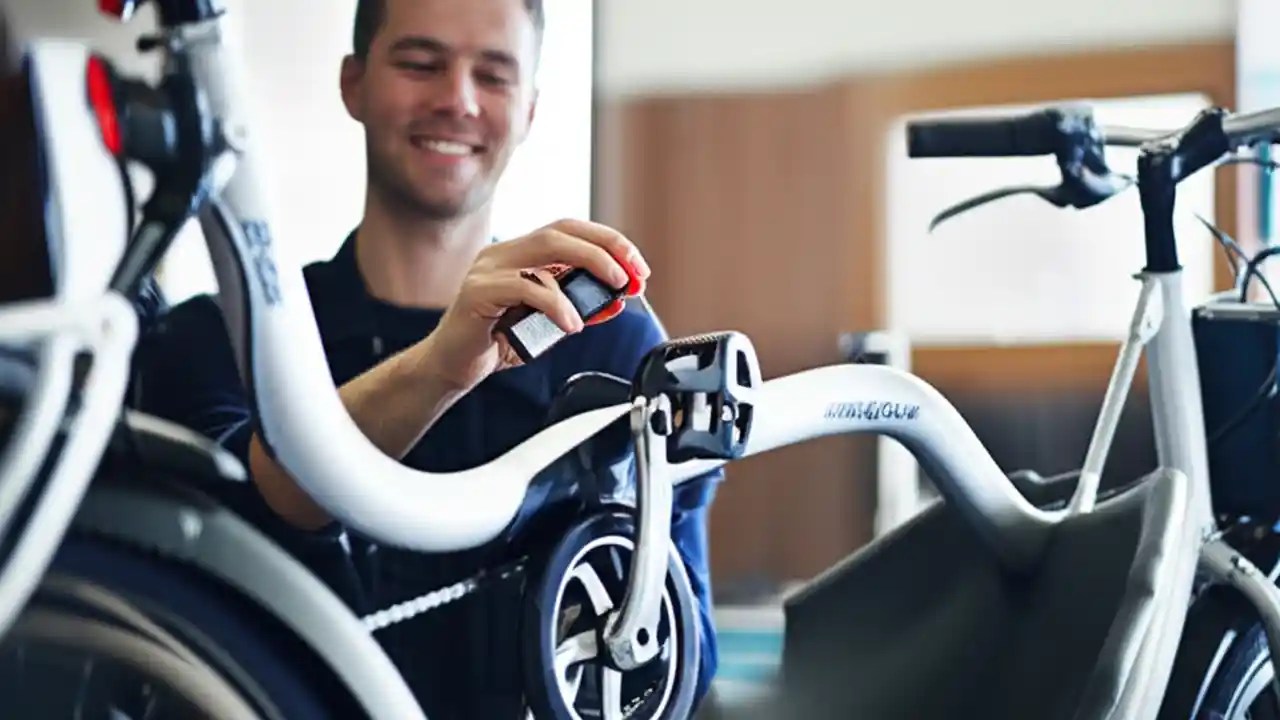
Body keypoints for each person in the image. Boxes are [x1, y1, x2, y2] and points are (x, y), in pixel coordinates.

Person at [131, 0, 721, 716]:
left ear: (529, 110)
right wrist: (442, 363)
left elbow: (683, 651)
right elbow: (233, 524)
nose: (458, 100)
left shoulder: (607, 344)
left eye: (494, 75)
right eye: (420, 63)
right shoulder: (216, 337)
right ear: (354, 84)